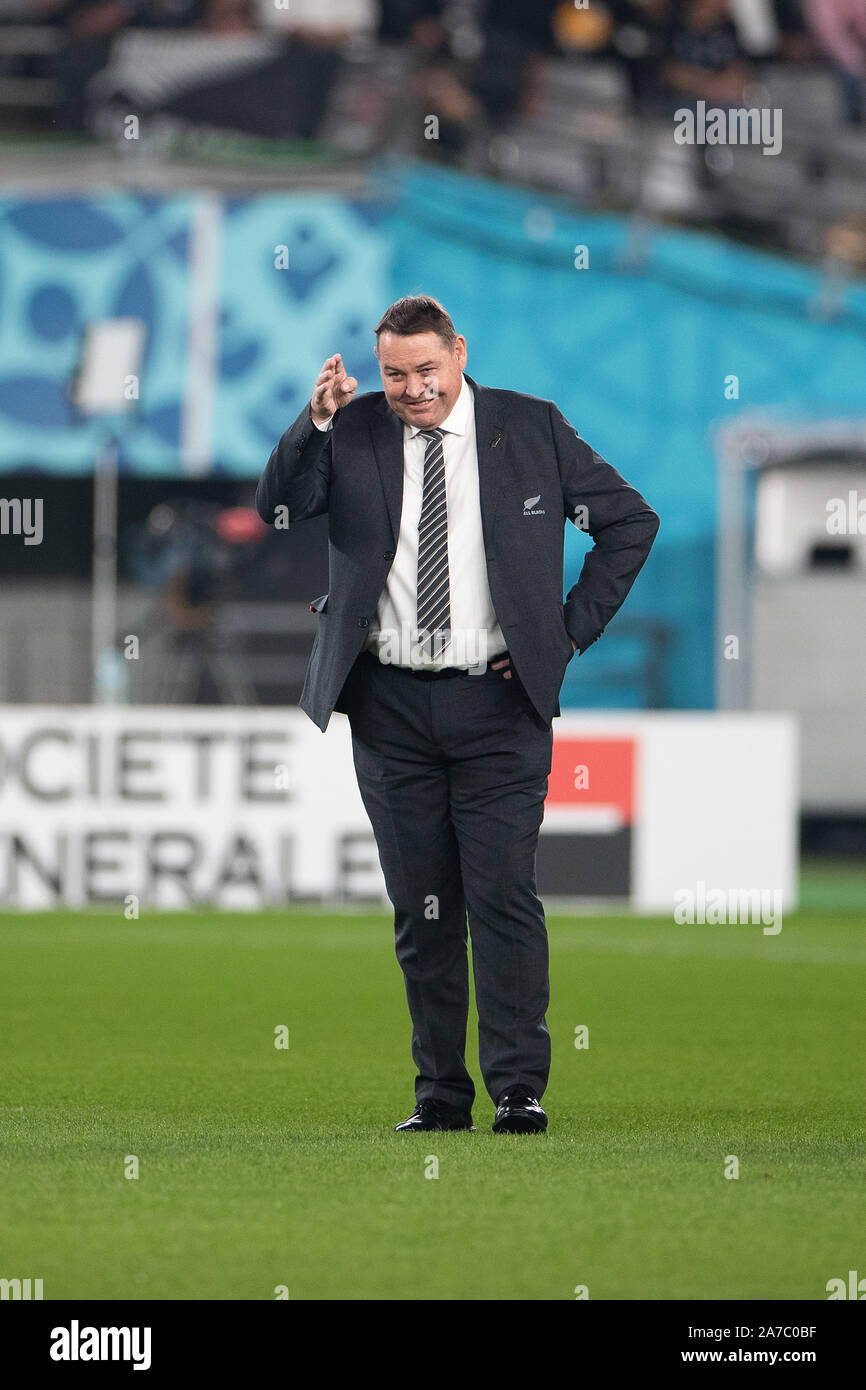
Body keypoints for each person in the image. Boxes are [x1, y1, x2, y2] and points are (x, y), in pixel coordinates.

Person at [256, 296, 659, 1135]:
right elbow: (280, 504)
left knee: (503, 897)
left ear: (459, 354)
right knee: (422, 907)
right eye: (394, 373)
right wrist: (315, 423)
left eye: (425, 370)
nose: (411, 389)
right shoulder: (356, 427)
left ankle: (519, 1091)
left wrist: (565, 632)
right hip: (390, 704)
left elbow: (628, 521)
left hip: (500, 704)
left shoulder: (532, 428)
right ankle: (439, 1095)